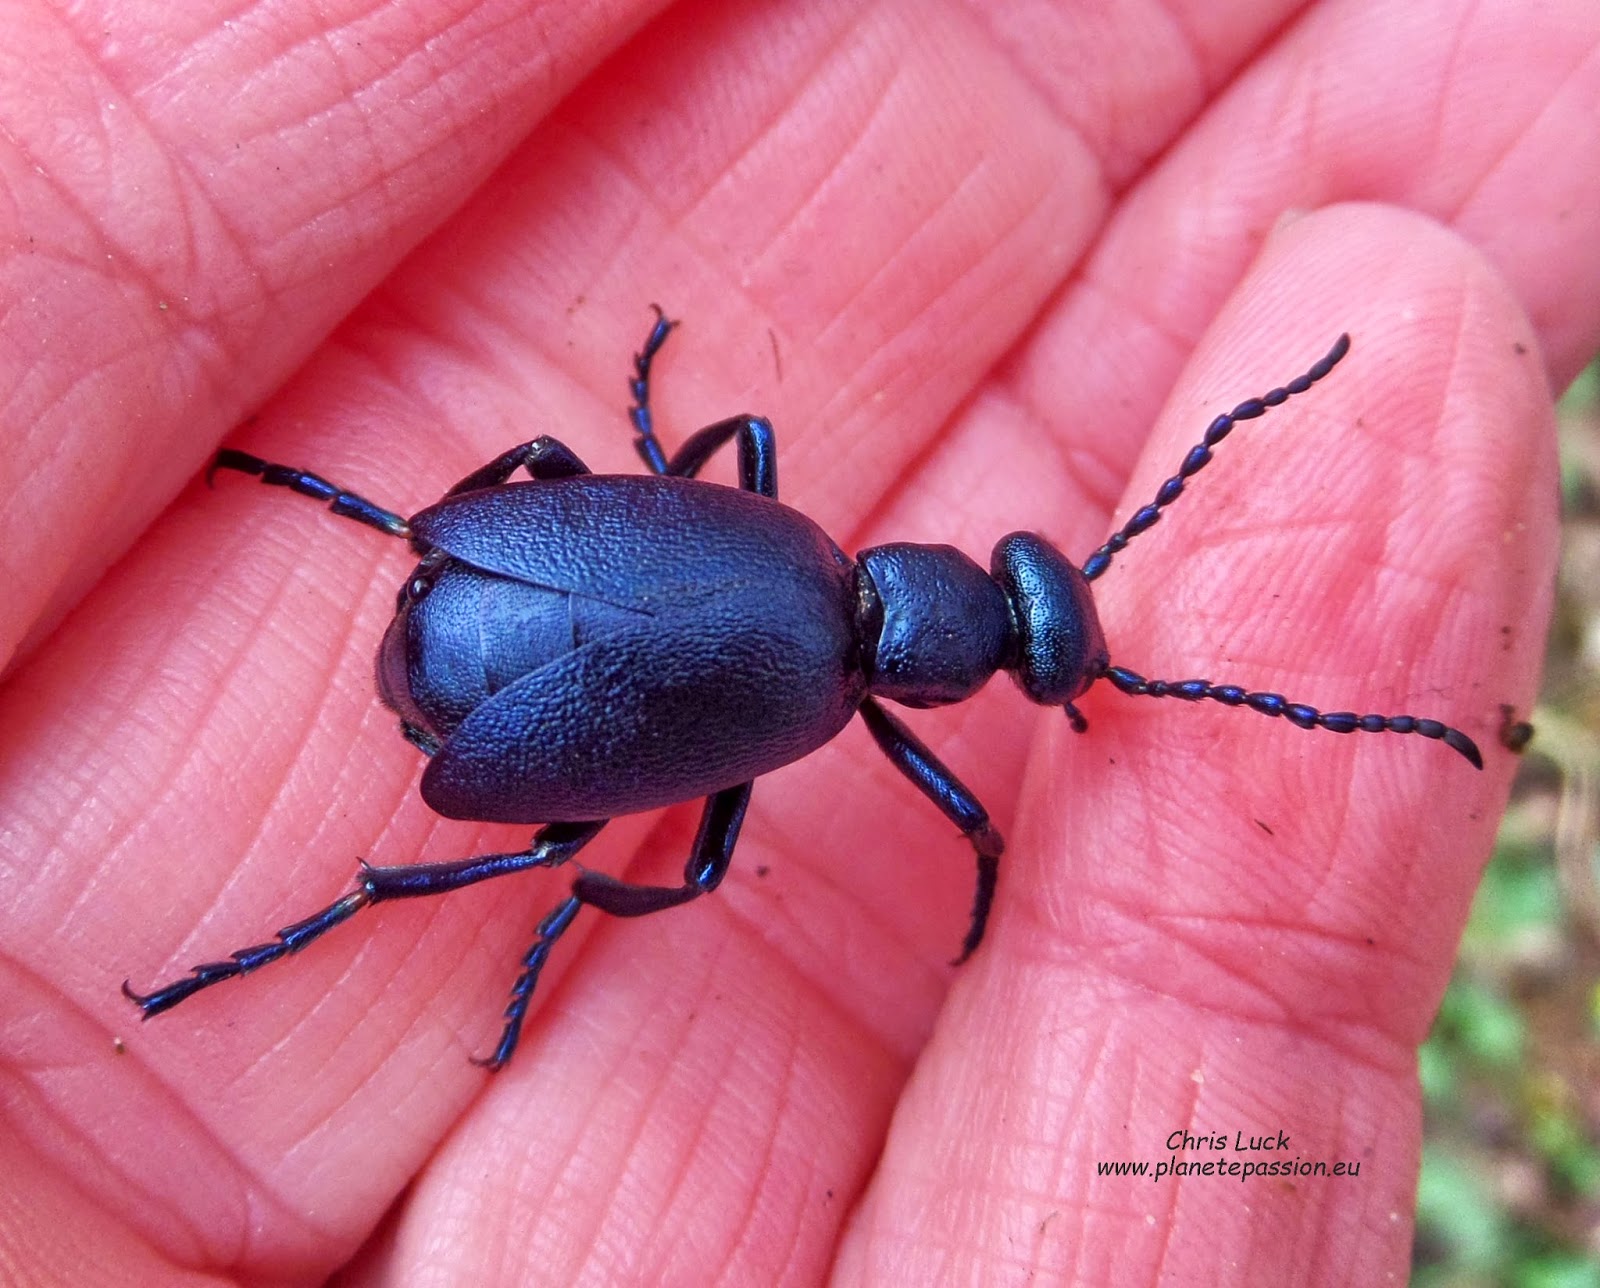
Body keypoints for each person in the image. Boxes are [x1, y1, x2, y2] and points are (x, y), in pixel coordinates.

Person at [0, 1, 1592, 1282]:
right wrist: (961, 871)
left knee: (590, 491)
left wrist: (611, 465)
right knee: (666, 871)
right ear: (968, 671)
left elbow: (692, 457)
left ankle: (371, 561)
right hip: (481, 639)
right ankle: (372, 883)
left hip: (468, 581)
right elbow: (947, 828)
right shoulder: (827, 694)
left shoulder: (797, 551)